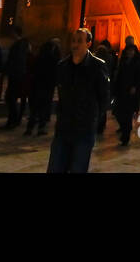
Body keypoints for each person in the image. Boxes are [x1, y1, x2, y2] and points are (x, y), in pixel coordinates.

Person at [48, 28, 109, 173]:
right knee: (56, 166)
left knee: (78, 167)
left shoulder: (97, 66)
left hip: (84, 129)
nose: (75, 45)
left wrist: (92, 119)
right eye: (73, 41)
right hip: (64, 127)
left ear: (88, 43)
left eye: (79, 41)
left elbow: (103, 97)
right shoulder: (63, 66)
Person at [26, 38, 61, 136]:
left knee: (35, 108)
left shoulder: (38, 58)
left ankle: (30, 127)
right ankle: (41, 127)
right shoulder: (53, 59)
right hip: (46, 86)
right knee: (43, 106)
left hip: (37, 85)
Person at [112, 37, 140, 146]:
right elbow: (119, 76)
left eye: (132, 51)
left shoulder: (137, 64)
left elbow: (139, 78)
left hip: (131, 93)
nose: (130, 53)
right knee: (119, 114)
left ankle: (126, 136)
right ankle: (124, 131)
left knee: (128, 115)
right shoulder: (123, 62)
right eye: (128, 51)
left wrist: (135, 87)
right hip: (121, 91)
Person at [4, 27, 31, 130]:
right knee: (11, 97)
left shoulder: (19, 46)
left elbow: (16, 60)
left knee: (11, 97)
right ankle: (13, 119)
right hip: (18, 74)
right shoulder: (23, 45)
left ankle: (13, 120)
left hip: (16, 75)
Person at [93, 40, 117, 135]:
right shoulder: (110, 58)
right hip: (106, 85)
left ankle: (98, 124)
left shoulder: (96, 60)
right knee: (103, 106)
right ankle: (101, 124)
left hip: (98, 85)